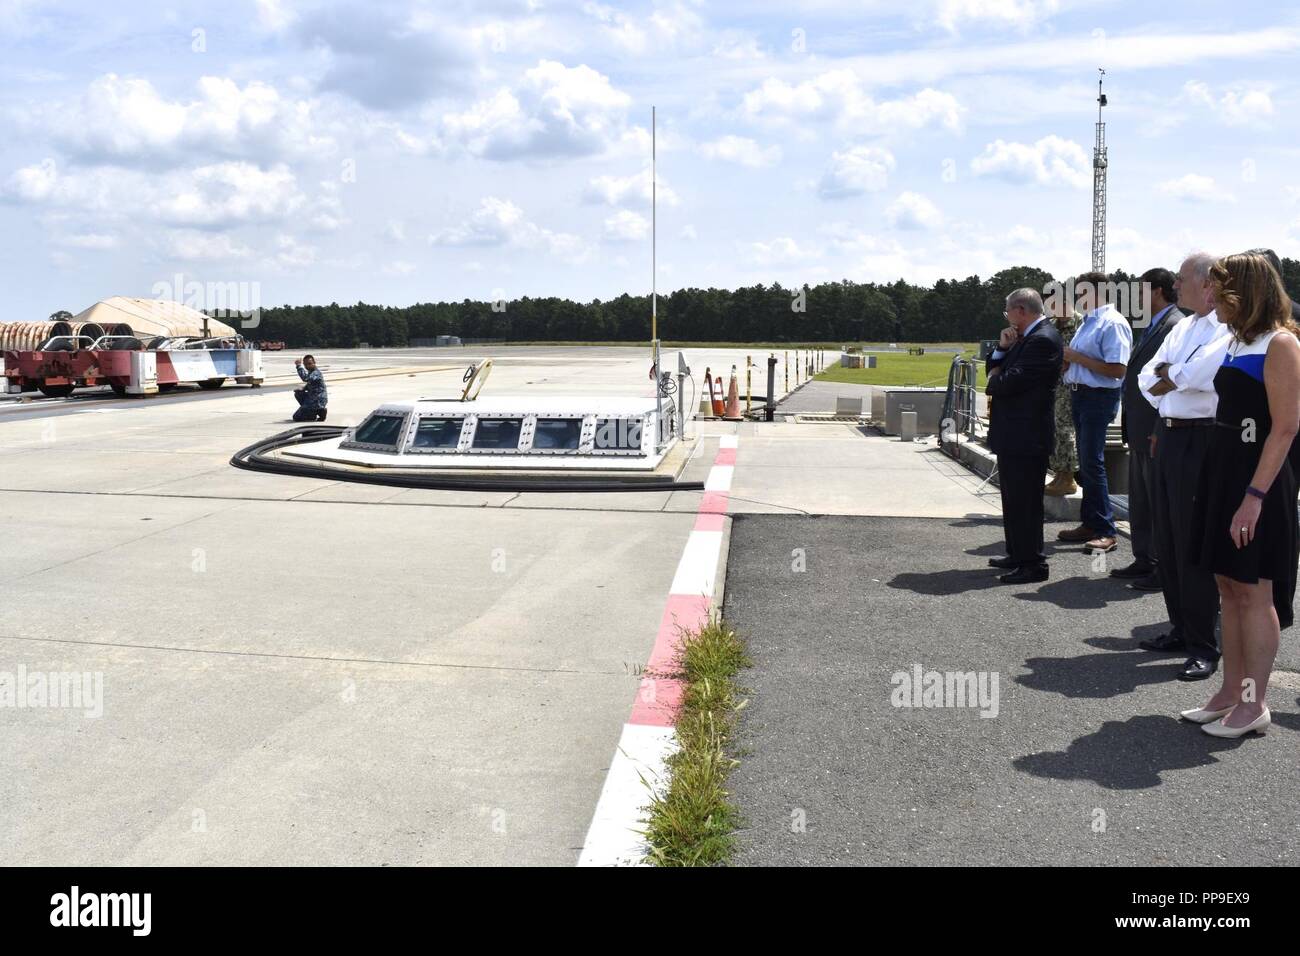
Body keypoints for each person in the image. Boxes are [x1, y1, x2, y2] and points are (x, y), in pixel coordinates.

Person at [1181, 252, 1300, 737]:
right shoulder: (1235, 342)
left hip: (1259, 482)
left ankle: (1255, 705)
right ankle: (1231, 692)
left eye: (1218, 288)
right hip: (1225, 473)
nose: (1210, 298)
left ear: (1244, 291)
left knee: (1254, 591)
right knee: (1227, 587)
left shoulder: (1281, 344)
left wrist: (1254, 496)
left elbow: (1286, 427)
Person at [1137, 252, 1233, 681]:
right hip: (1171, 435)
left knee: (1193, 543)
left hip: (1202, 437)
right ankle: (1179, 627)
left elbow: (1199, 375)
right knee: (1169, 538)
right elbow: (1146, 377)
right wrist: (1171, 378)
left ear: (1207, 284)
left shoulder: (1226, 328)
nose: (1175, 286)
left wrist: (1171, 376)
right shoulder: (1185, 327)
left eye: (1180, 279)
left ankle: (1203, 643)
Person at [984, 288, 1064, 585]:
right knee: (1013, 499)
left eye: (1007, 312)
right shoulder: (1026, 338)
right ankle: (1018, 554)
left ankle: (1033, 563)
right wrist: (1003, 349)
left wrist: (997, 376)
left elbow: (1003, 383)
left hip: (1027, 435)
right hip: (1015, 434)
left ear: (1020, 310)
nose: (1007, 318)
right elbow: (995, 371)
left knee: (1026, 503)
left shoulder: (1043, 339)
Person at [1113, 268, 1183, 590]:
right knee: (1140, 500)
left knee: (1156, 503)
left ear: (1156, 292)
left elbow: (1168, 383)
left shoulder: (1174, 325)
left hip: (1154, 429)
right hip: (1139, 429)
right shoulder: (1154, 324)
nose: (1136, 297)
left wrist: (1157, 427)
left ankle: (1158, 566)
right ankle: (1144, 559)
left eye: (1140, 290)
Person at [1057, 272, 1132, 553]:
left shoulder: (1112, 323)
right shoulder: (1089, 322)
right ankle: (1091, 522)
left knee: (1092, 462)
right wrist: (1070, 365)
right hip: (1081, 394)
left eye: (1081, 292)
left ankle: (1105, 530)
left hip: (1098, 397)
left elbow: (1117, 370)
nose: (1077, 297)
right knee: (1088, 463)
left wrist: (1077, 359)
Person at [1046, 302, 1079, 496]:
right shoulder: (1052, 324)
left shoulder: (1080, 323)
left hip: (1069, 385)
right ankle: (1059, 474)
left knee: (1066, 430)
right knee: (1055, 429)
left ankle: (1069, 477)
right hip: (1053, 383)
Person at [293, 354, 328, 422]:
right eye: (305, 364)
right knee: (298, 394)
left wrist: (298, 366)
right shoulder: (311, 372)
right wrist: (303, 389)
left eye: (309, 364)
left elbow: (305, 379)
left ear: (314, 363)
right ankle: (313, 412)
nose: (307, 366)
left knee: (296, 417)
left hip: (318, 400)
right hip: (312, 398)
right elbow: (310, 383)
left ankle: (320, 411)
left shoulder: (316, 373)